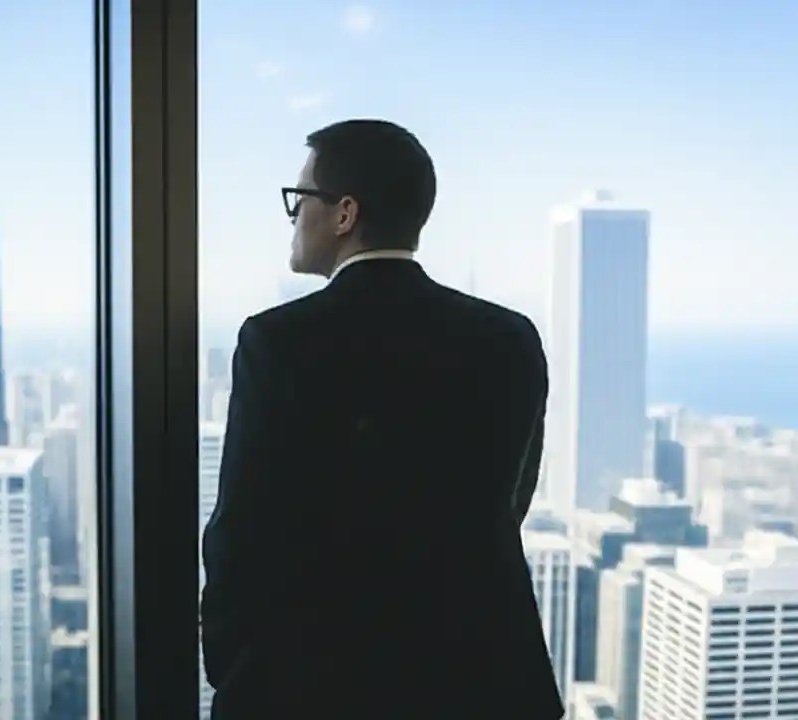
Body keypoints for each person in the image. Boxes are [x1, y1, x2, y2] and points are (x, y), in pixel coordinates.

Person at [201, 119, 564, 719]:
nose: (293, 216)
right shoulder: (509, 337)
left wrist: (235, 669)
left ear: (345, 213)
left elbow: (242, 531)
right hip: (483, 678)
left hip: (320, 683)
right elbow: (505, 505)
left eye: (301, 199)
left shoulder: (279, 342)